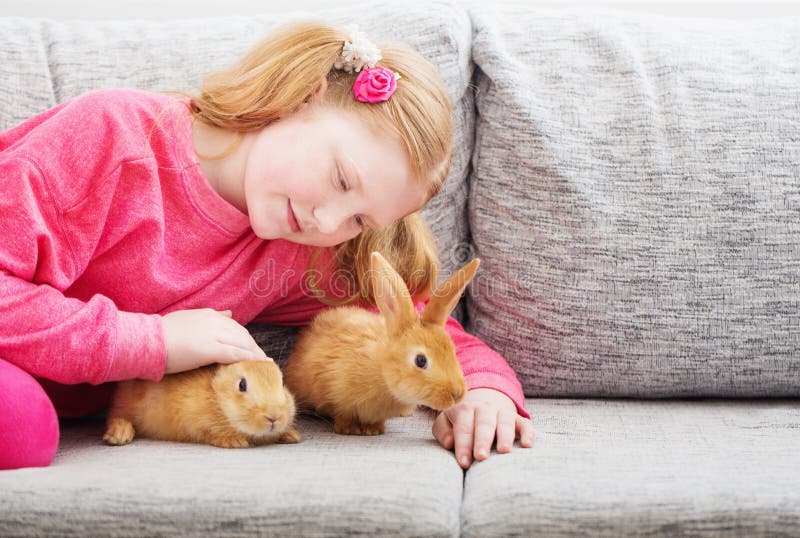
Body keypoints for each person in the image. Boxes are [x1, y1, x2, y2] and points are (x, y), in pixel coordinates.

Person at [0, 22, 533, 471]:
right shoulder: (111, 138)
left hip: (44, 395)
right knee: (22, 421)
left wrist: (481, 391)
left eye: (359, 219)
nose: (327, 220)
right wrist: (153, 340)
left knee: (24, 422)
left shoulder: (299, 247)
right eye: (342, 178)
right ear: (302, 97)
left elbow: (413, 328)